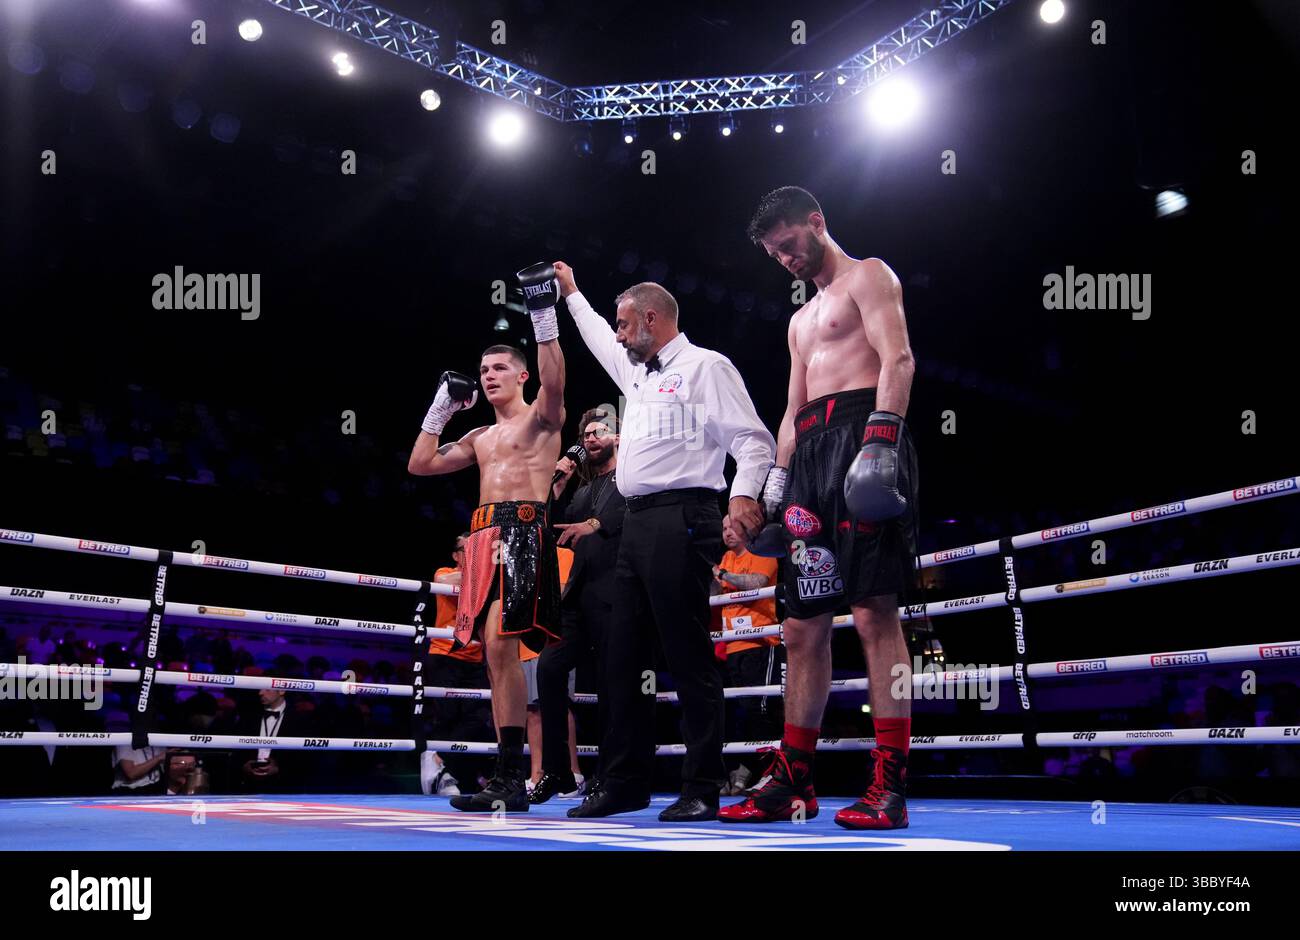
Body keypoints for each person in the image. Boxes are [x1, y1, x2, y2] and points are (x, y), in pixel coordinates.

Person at [720, 186, 919, 830]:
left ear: (816, 223)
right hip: (810, 454)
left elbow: (898, 358)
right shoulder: (798, 321)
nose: (783, 259)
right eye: (773, 253)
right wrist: (777, 482)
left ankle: (888, 785)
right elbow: (790, 409)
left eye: (788, 244)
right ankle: (793, 781)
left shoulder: (869, 275)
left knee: (872, 611)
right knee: (803, 625)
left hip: (866, 433)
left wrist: (883, 439)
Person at [555, 261, 775, 822]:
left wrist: (745, 499)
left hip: (684, 517)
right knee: (621, 657)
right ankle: (625, 781)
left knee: (686, 654)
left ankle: (702, 784)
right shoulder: (638, 372)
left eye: (627, 324)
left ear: (652, 318)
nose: (621, 333)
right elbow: (601, 341)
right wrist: (573, 293)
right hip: (634, 522)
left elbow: (753, 442)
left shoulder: (706, 367)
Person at [407, 264, 566, 812]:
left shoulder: (542, 420)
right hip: (480, 537)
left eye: (500, 367)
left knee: (502, 644)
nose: (490, 375)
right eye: (484, 370)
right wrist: (442, 406)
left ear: (520, 375)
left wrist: (543, 311)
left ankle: (511, 775)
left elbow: (555, 380)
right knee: (493, 654)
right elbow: (420, 463)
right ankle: (507, 776)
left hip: (524, 530)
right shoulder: (478, 435)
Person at [530, 407, 626, 804]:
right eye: (585, 434)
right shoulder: (584, 491)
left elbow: (633, 512)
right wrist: (555, 486)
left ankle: (610, 777)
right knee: (549, 672)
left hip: (616, 595)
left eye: (599, 431)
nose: (590, 438)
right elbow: (550, 528)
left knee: (611, 686)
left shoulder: (632, 480)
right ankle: (556, 772)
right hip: (578, 598)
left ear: (618, 438)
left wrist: (597, 526)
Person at [710, 524, 784, 796]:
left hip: (761, 642)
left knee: (762, 709)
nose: (727, 532)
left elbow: (758, 583)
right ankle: (745, 771)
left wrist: (724, 575)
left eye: (733, 528)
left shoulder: (763, 551)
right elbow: (712, 595)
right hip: (732, 646)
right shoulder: (727, 559)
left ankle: (773, 772)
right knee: (742, 712)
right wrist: (714, 577)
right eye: (724, 528)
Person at [420, 533, 493, 797]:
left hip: (475, 659)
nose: (473, 554)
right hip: (445, 655)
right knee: (448, 716)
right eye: (467, 549)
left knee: (478, 718)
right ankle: (445, 772)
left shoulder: (485, 581)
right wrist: (481, 570)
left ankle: (439, 758)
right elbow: (442, 580)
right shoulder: (447, 571)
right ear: (455, 555)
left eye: (477, 549)